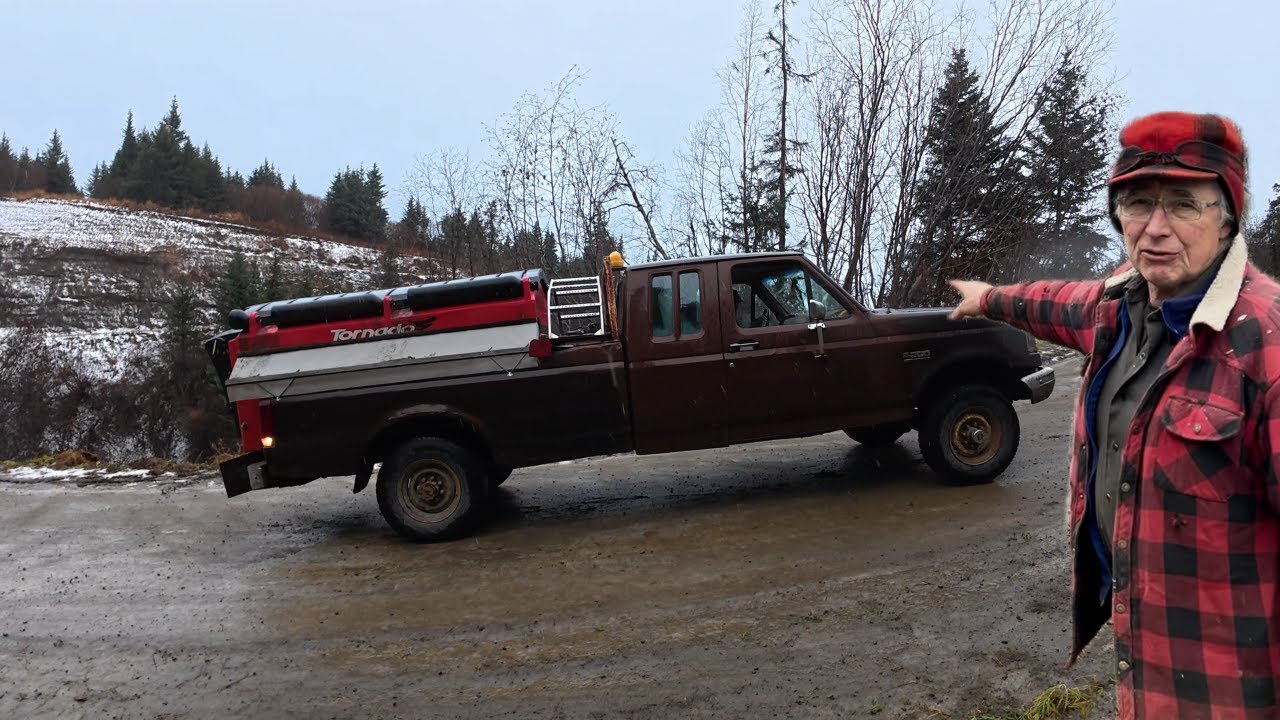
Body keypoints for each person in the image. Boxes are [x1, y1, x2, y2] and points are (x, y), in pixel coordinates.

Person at [949, 111, 1280, 718]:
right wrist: (988, 299)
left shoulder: (1266, 344)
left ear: (1228, 218)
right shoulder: (1120, 305)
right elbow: (1055, 303)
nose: (1155, 229)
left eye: (1184, 204)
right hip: (1148, 665)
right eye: (1136, 204)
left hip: (1232, 688)